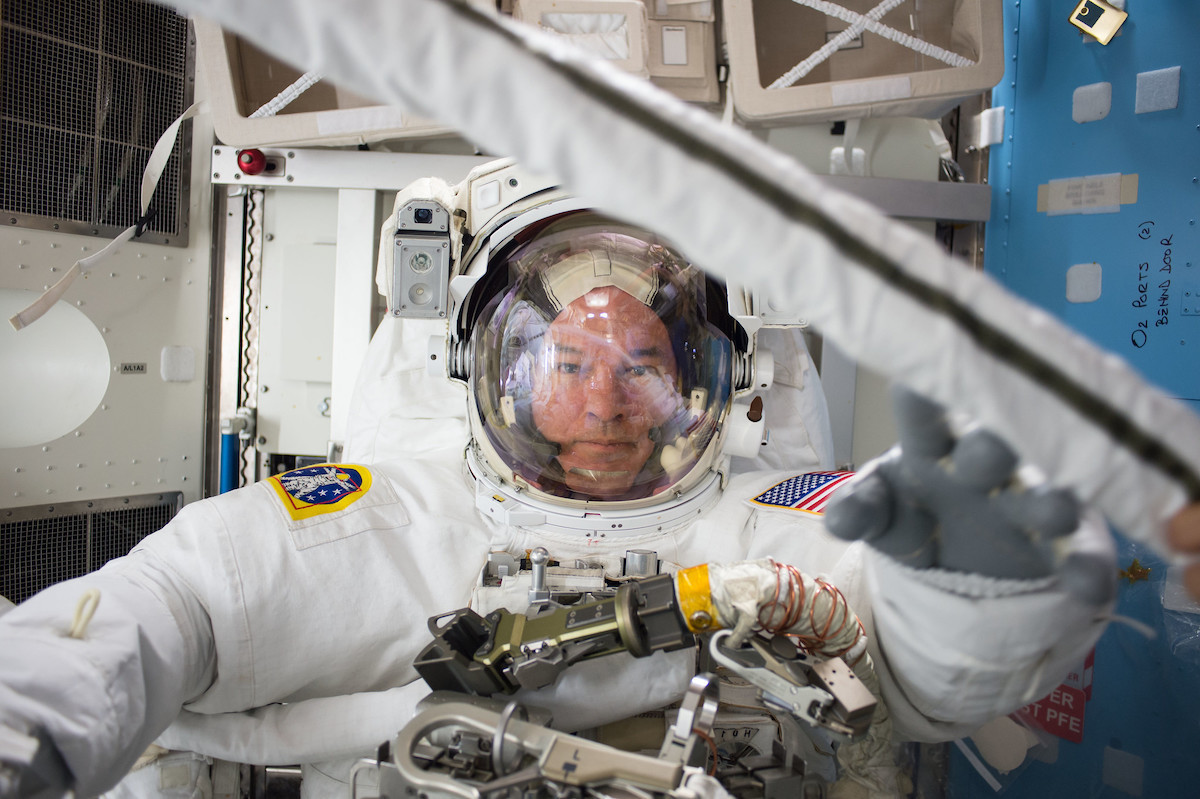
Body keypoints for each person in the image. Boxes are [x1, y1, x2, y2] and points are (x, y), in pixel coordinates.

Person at [0, 172, 1117, 799]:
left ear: (706, 384)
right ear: (497, 372)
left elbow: (905, 637)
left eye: (643, 364)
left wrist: (983, 582)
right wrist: (33, 719)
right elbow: (176, 606)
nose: (607, 402)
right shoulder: (397, 518)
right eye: (569, 363)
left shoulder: (755, 519)